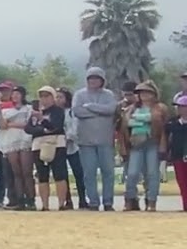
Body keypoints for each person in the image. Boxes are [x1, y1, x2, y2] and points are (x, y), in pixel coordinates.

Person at [71, 67, 119, 211]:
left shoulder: (109, 94)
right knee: (89, 173)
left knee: (108, 172)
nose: (93, 80)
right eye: (90, 78)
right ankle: (93, 201)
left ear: (102, 80)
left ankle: (108, 202)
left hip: (105, 140)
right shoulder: (79, 95)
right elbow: (77, 111)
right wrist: (100, 112)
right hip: (86, 141)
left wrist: (91, 107)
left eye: (97, 78)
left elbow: (111, 109)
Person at [119, 81, 167, 211]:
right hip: (135, 144)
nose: (144, 95)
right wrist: (144, 119)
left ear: (154, 93)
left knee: (152, 173)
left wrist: (137, 120)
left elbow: (156, 119)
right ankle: (130, 199)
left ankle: (151, 200)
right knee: (132, 173)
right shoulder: (131, 108)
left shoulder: (160, 107)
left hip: (153, 143)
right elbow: (126, 123)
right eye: (140, 92)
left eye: (147, 92)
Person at [25, 87, 69, 210]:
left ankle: (61, 203)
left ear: (53, 97)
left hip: (56, 144)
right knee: (42, 175)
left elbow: (56, 126)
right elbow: (28, 129)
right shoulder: (35, 112)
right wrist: (42, 129)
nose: (44, 99)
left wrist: (42, 121)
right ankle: (44, 204)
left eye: (47, 96)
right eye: (42, 96)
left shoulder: (58, 111)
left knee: (59, 174)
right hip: (38, 144)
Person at [0, 86, 34, 210]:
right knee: (16, 172)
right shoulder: (6, 110)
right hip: (11, 140)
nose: (15, 96)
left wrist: (11, 124)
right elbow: (2, 126)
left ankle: (31, 199)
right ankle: (20, 200)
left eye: (18, 94)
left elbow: (27, 124)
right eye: (13, 94)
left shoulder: (28, 108)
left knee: (27, 172)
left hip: (25, 139)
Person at [56, 89, 88, 210]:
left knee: (78, 173)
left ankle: (82, 198)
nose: (58, 100)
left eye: (61, 97)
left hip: (72, 146)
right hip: (58, 146)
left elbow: (75, 126)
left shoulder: (71, 112)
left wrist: (69, 137)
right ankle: (67, 199)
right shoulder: (54, 112)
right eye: (56, 97)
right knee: (62, 174)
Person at [167, 94, 187, 209]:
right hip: (178, 155)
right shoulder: (173, 123)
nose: (182, 109)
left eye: (184, 107)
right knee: (182, 182)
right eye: (180, 107)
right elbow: (169, 138)